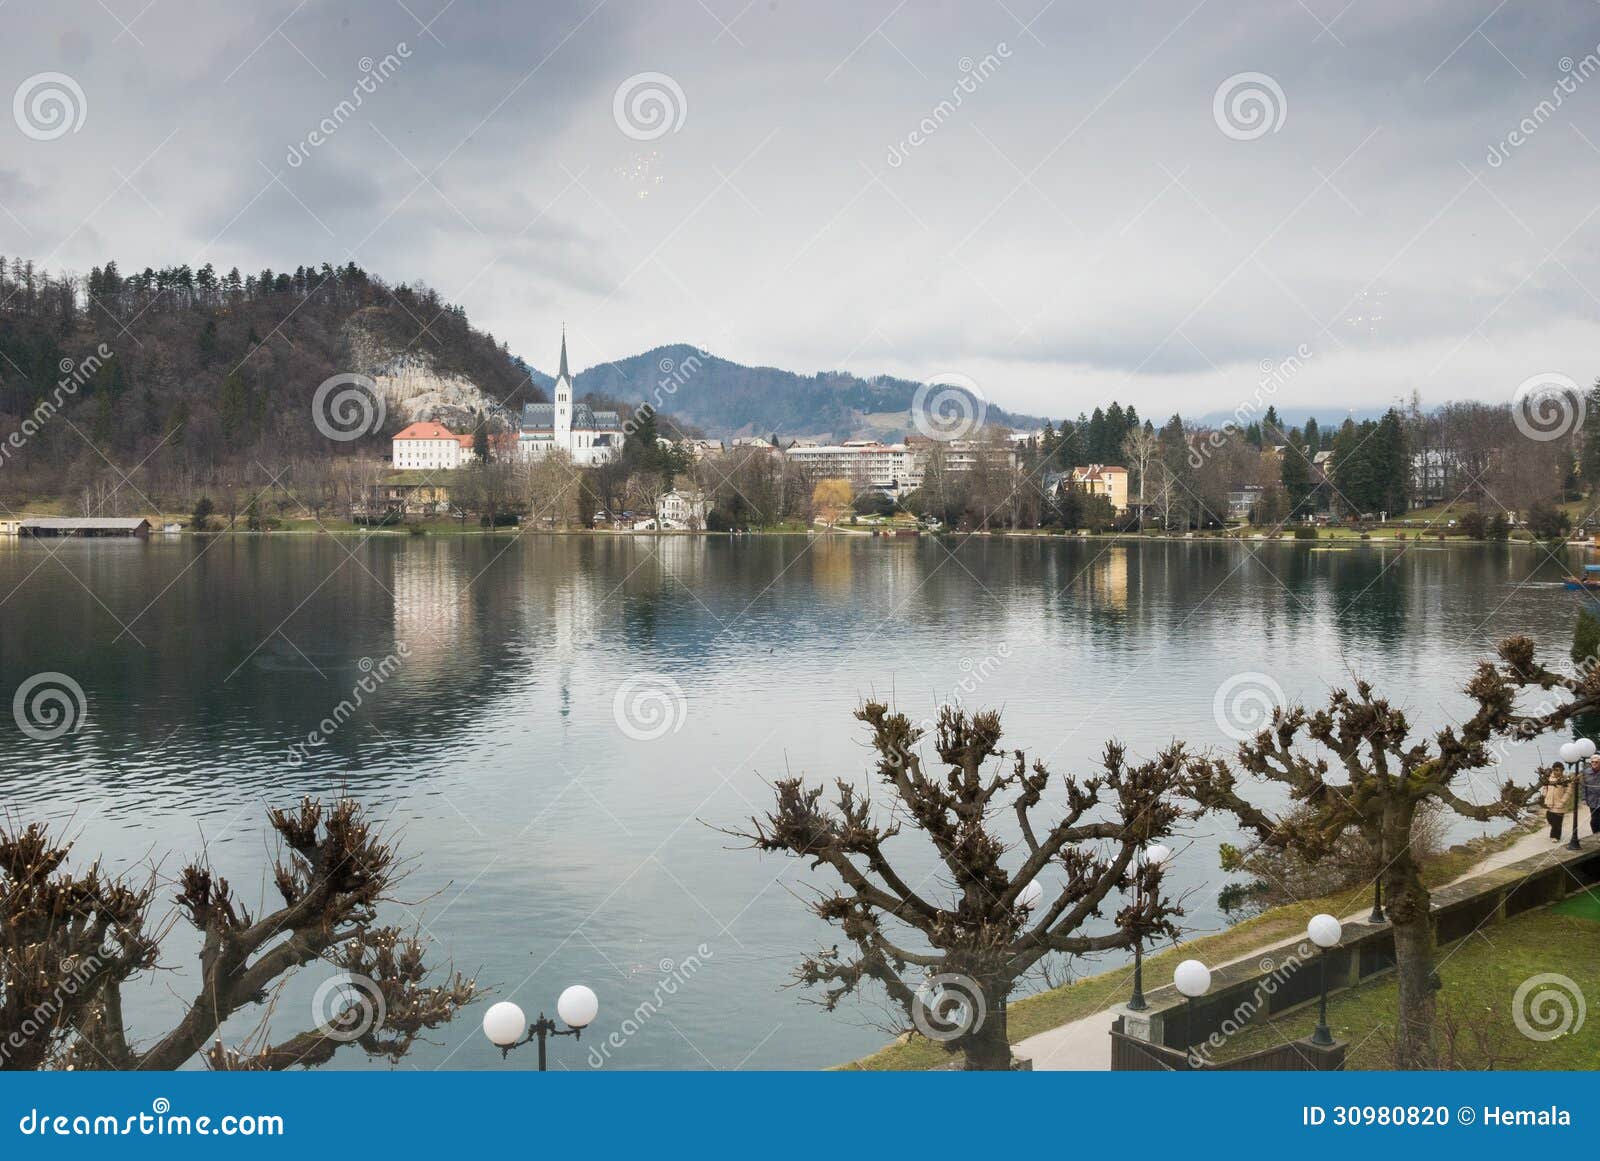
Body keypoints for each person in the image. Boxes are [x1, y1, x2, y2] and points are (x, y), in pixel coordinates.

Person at [1544, 762, 1575, 841]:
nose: (1559, 772)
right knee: (1549, 818)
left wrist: (1562, 802)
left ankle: (1555, 837)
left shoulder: (1565, 779)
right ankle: (1554, 835)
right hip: (1549, 803)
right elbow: (1545, 788)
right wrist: (1544, 796)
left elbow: (1568, 792)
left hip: (1559, 803)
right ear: (1553, 770)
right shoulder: (1548, 778)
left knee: (1557, 822)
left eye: (1561, 770)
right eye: (1557, 770)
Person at [1586, 756, 1600, 837]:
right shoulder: (1586, 772)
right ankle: (1596, 835)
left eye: (1596, 762)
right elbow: (1584, 786)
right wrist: (1584, 798)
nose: (1594, 763)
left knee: (1596, 820)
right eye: (1592, 762)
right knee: (1594, 820)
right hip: (1592, 801)